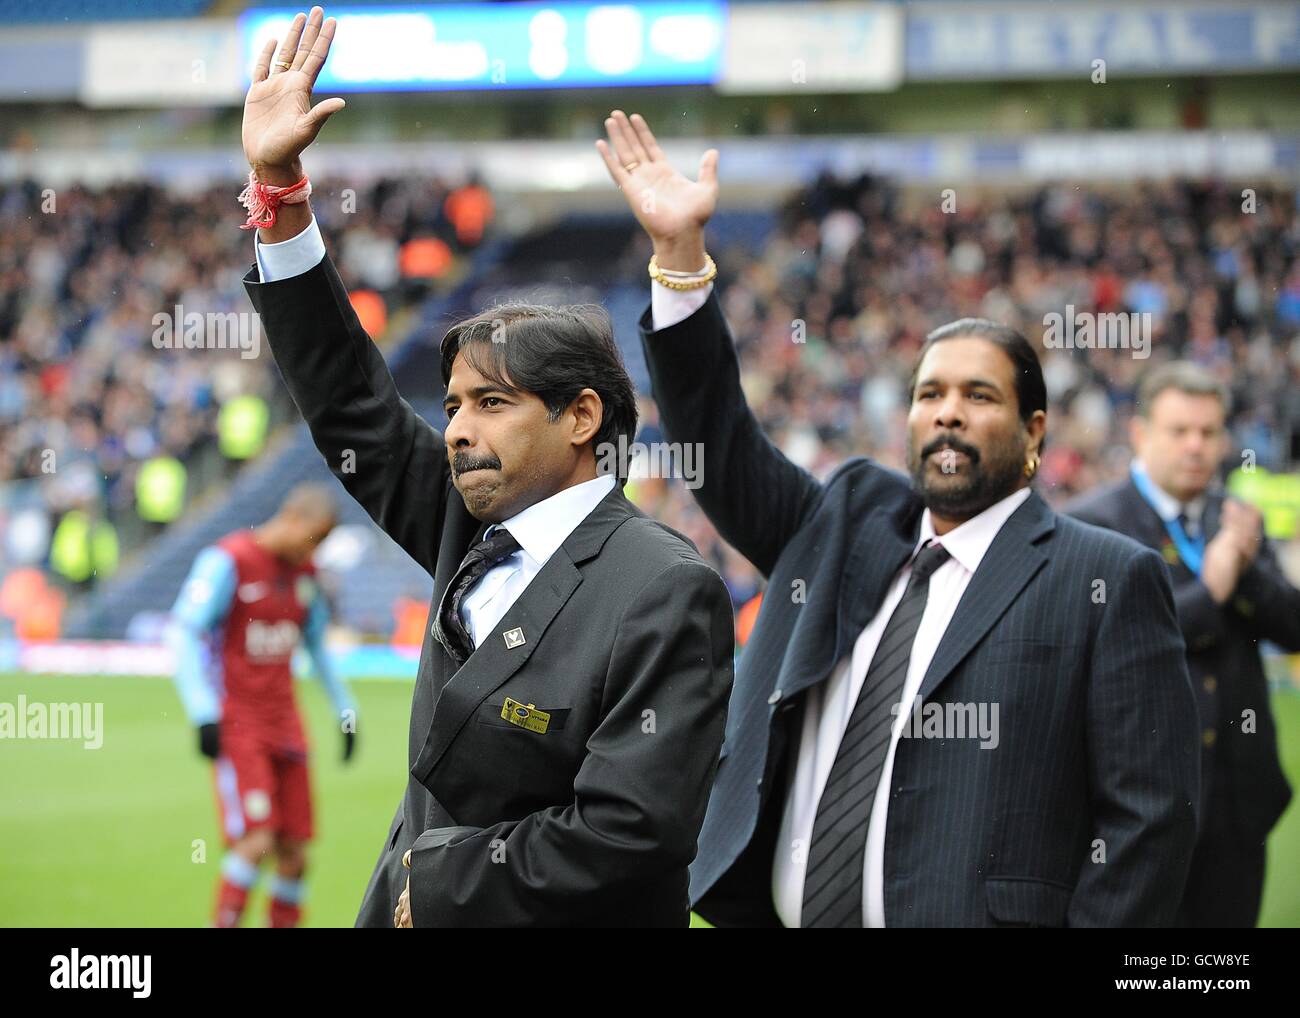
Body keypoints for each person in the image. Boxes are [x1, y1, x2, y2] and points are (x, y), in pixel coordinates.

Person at [598, 109, 1200, 927]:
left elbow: (1151, 824)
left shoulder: (1104, 576)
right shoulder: (848, 519)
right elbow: (722, 446)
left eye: (978, 396)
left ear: (1034, 431)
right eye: (930, 394)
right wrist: (678, 259)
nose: (947, 413)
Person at [238, 8, 735, 928]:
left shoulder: (665, 589)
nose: (458, 428)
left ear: (583, 416)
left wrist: (438, 887)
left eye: (493, 403)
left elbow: (633, 832)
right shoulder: (466, 521)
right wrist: (280, 191)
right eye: (456, 403)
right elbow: (351, 402)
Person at [1068, 361, 1300, 927]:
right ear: (1142, 433)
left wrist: (1243, 571)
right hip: (1137, 816)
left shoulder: (1237, 518)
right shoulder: (1092, 525)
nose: (1196, 446)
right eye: (1180, 431)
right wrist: (1216, 579)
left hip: (1239, 808)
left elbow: (1292, 626)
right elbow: (1125, 642)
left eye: (1209, 431)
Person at [167, 482, 356, 928]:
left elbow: (317, 649)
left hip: (286, 726)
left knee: (293, 855)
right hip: (239, 725)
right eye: (315, 538)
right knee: (257, 841)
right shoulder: (227, 562)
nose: (316, 551)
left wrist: (346, 712)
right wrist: (202, 712)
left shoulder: (305, 576)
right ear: (292, 517)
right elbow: (183, 633)